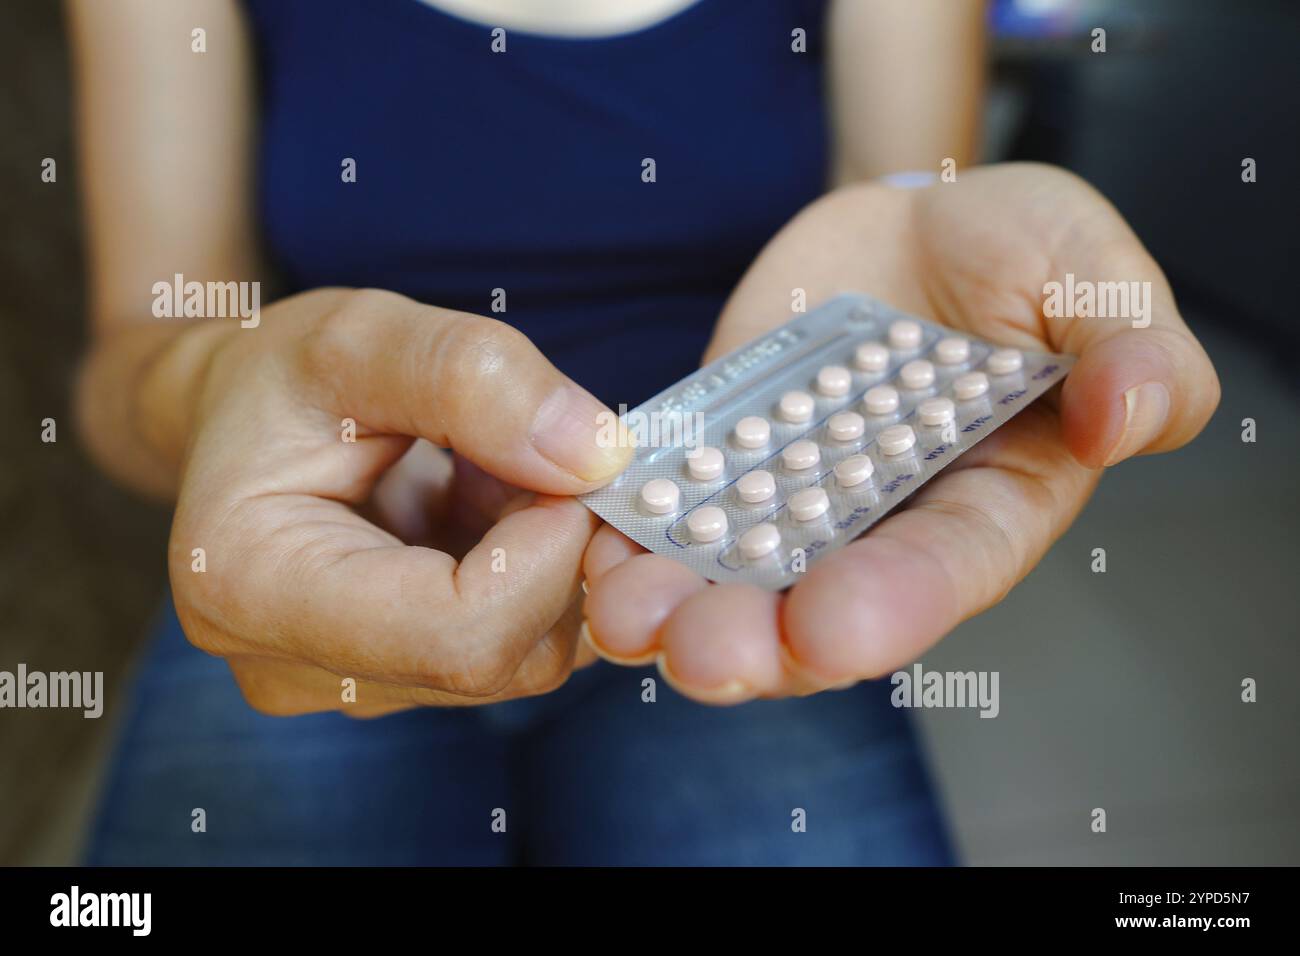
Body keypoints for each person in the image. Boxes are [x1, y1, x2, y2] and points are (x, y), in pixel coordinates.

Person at [70, 0, 1218, 865]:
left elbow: (904, 199)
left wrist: (933, 240)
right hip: (347, 537)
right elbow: (134, 355)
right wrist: (221, 382)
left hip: (735, 554)